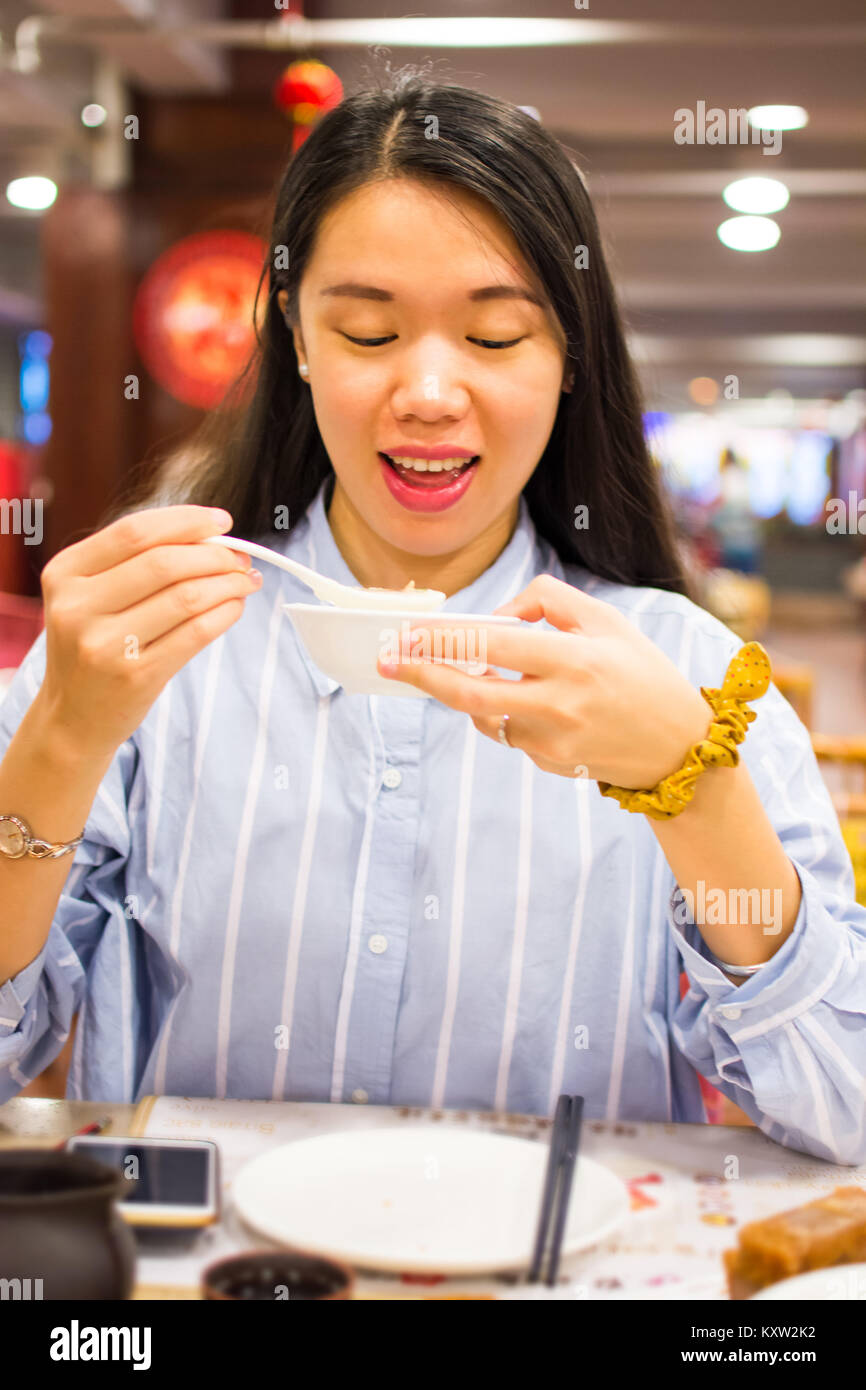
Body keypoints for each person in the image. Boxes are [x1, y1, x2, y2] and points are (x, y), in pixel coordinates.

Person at [1, 69, 864, 1165]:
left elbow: (845, 1107)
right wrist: (61, 740)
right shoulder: (148, 647)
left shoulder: (688, 671)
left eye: (496, 339)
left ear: (567, 358)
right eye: (365, 332)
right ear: (294, 335)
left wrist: (689, 785)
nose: (426, 393)